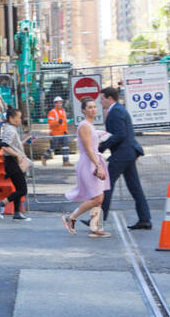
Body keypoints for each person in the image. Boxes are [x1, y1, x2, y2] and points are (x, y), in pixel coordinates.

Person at [98, 85, 154, 230]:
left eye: (102, 98)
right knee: (135, 187)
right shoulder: (117, 109)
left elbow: (119, 134)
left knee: (106, 184)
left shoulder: (116, 111)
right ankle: (145, 219)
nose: (100, 101)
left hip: (122, 154)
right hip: (128, 153)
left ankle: (98, 220)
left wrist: (101, 148)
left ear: (110, 99)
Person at [63, 98, 111, 237]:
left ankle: (94, 227)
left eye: (95, 107)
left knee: (99, 196)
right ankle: (71, 218)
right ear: (83, 110)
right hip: (88, 163)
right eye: (89, 107)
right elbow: (88, 149)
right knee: (97, 198)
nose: (93, 109)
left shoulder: (90, 125)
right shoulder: (84, 125)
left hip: (94, 161)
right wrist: (98, 166)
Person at [0, 107, 32, 221]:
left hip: (13, 162)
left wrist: (24, 142)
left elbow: (13, 145)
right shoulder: (10, 130)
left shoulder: (11, 128)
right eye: (19, 117)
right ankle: (1, 203)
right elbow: (5, 146)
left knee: (18, 188)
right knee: (22, 190)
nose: (20, 120)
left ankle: (16, 213)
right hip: (12, 162)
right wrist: (17, 155)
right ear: (11, 118)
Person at [48, 96, 70, 164]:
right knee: (53, 147)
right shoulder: (52, 112)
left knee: (65, 147)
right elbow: (50, 123)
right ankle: (45, 156)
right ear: (55, 104)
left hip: (64, 132)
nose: (60, 104)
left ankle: (65, 161)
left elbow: (64, 122)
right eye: (58, 103)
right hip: (56, 133)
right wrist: (58, 122)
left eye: (61, 103)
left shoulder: (63, 111)